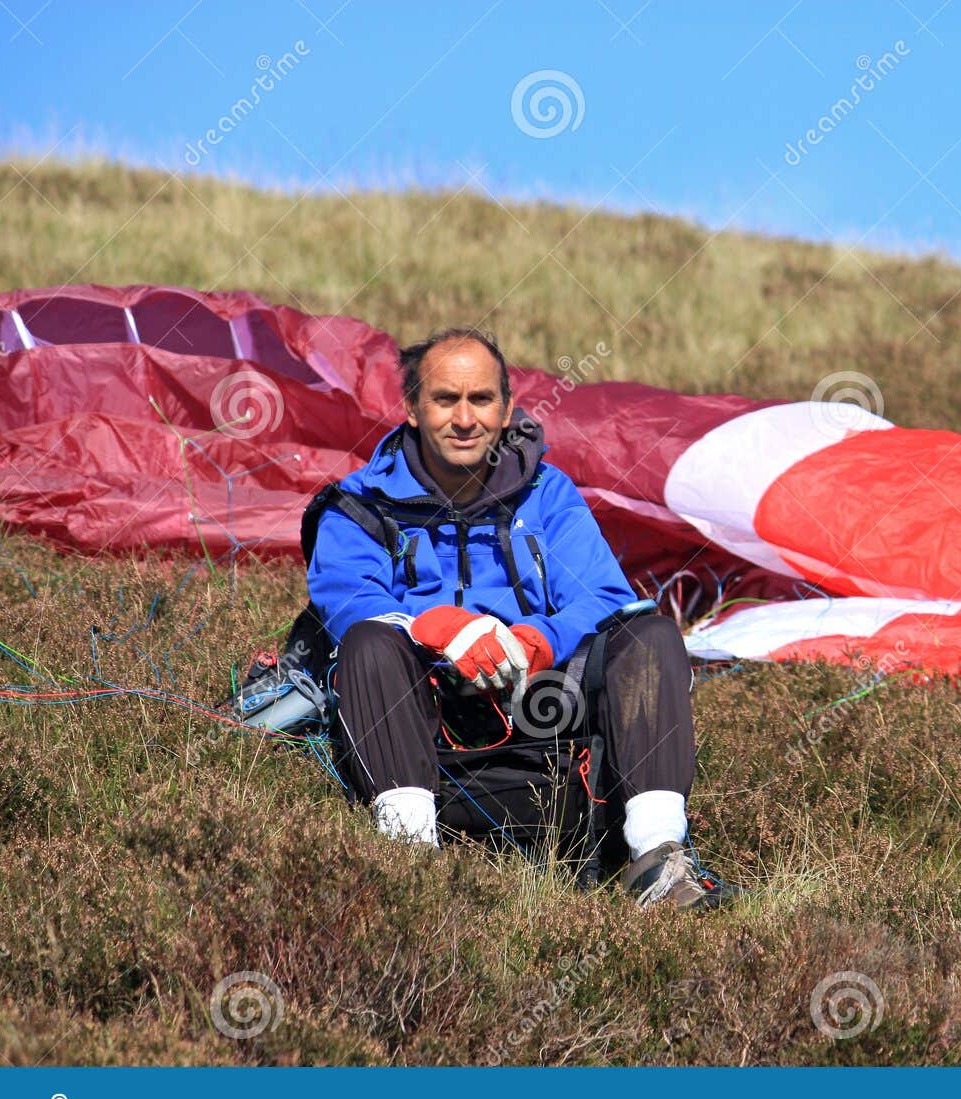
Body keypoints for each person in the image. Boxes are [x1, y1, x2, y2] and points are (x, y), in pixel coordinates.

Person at [305, 326, 738, 910]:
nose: (465, 418)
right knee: (368, 641)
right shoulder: (357, 506)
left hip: (542, 698)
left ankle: (658, 862)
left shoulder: (549, 494)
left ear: (507, 409)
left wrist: (541, 638)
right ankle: (412, 871)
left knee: (651, 635)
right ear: (411, 409)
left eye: (481, 399)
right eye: (445, 399)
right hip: (423, 705)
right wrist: (432, 626)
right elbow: (346, 597)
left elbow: (604, 596)